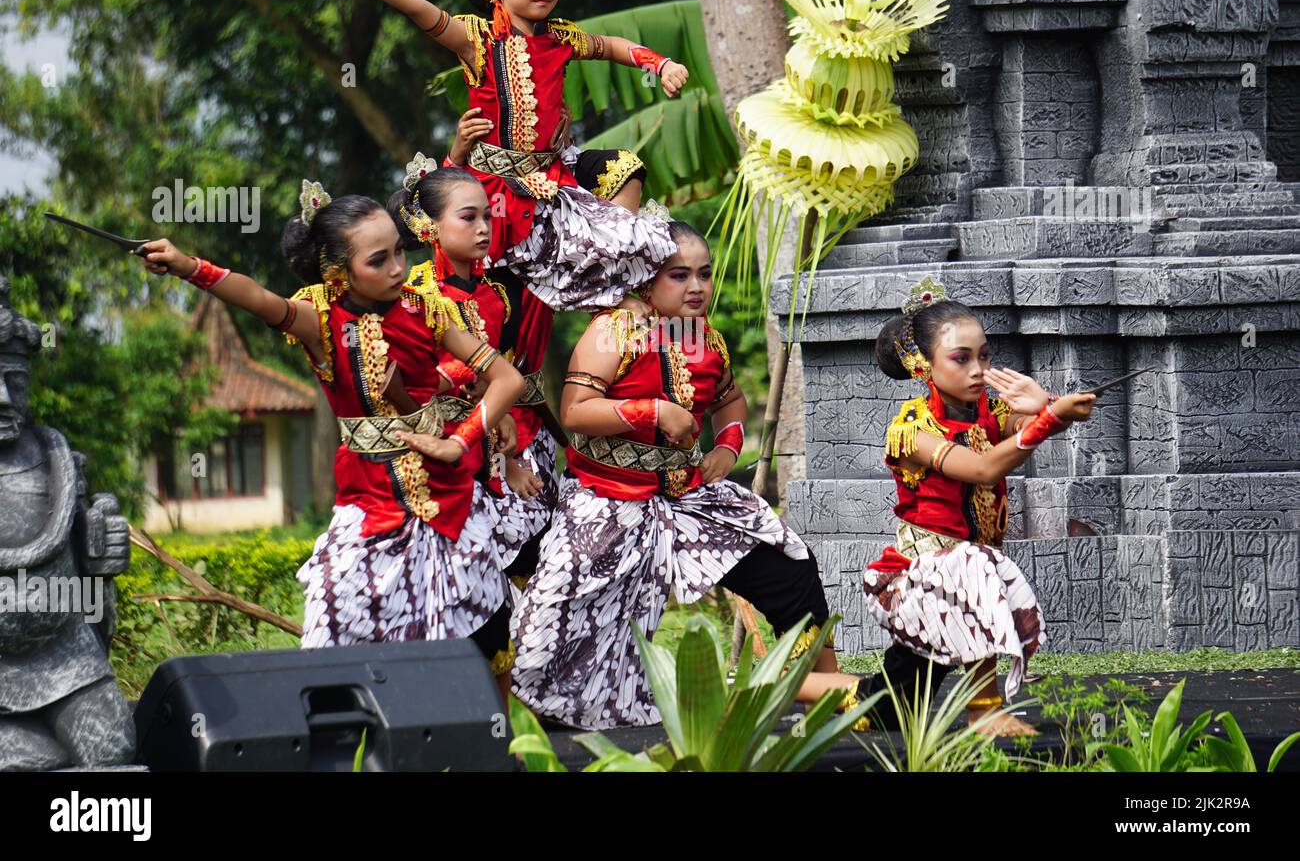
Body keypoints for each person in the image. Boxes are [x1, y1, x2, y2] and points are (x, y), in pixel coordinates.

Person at [138, 181, 524, 699]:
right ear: (339, 271)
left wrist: (461, 441)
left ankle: (495, 755)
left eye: (399, 254)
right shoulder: (320, 319)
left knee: (484, 634)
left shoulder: (426, 309)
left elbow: (507, 380)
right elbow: (256, 298)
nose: (395, 269)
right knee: (338, 626)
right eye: (378, 260)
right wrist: (190, 268)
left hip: (448, 499)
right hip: (369, 504)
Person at [511, 219, 859, 729]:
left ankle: (833, 699)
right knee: (548, 639)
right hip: (609, 503)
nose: (696, 287)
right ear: (647, 279)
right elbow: (576, 410)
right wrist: (653, 412)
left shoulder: (702, 338)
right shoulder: (615, 329)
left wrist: (727, 446)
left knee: (790, 565)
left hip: (686, 498)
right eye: (679, 275)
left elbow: (731, 400)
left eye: (704, 274)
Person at [311, 0, 682, 312]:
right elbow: (414, 5)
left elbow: (610, 45)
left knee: (624, 168)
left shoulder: (562, 37)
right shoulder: (475, 39)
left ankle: (605, 276)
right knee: (502, 302)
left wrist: (658, 64)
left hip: (555, 175)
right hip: (495, 187)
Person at [854, 277, 1097, 736]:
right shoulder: (910, 429)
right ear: (923, 366)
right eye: (961, 358)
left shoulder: (987, 412)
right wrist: (1048, 418)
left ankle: (800, 688)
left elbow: (1027, 428)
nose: (978, 369)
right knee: (977, 566)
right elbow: (984, 469)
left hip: (954, 583)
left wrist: (1045, 404)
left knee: (885, 707)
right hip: (916, 580)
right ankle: (984, 712)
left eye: (984, 356)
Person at [387, 159, 558, 590]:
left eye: (487, 216)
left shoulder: (495, 296)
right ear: (430, 228)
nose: (484, 228)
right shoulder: (416, 296)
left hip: (486, 449)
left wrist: (511, 460)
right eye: (468, 218)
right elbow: (420, 379)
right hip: (431, 448)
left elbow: (496, 385)